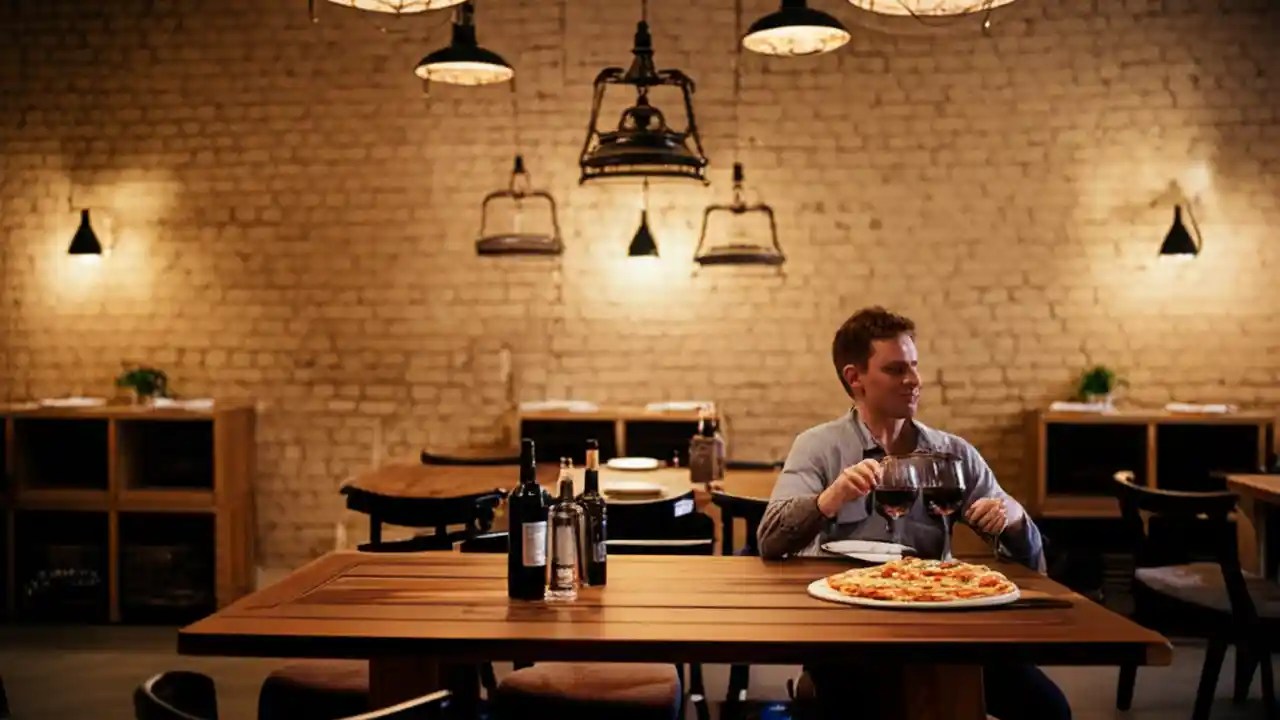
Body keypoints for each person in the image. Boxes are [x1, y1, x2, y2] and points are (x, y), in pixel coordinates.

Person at [757, 306, 1070, 720]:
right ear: (855, 378)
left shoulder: (953, 453)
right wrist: (826, 501)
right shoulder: (818, 447)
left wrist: (1013, 518)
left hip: (946, 623)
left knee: (1049, 710)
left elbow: (1033, 565)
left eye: (915, 367)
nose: (915, 381)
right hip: (849, 628)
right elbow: (770, 540)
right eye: (896, 370)